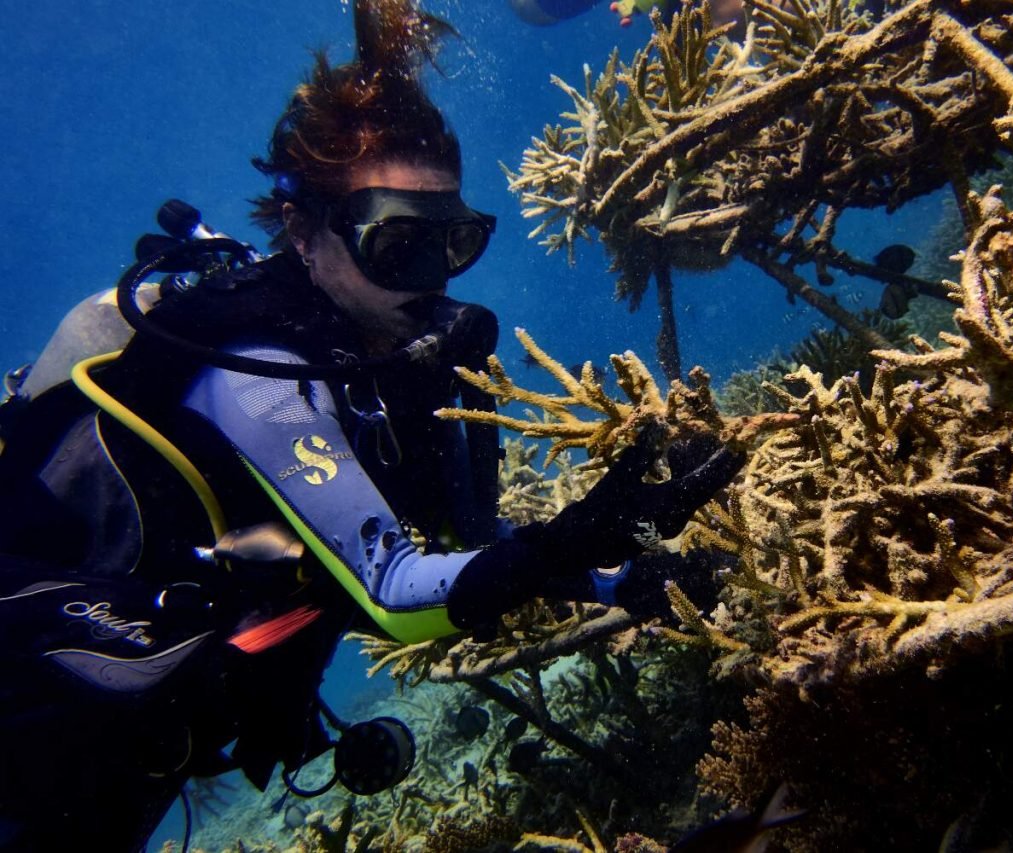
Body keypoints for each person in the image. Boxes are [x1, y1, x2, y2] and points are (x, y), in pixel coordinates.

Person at [0, 1, 741, 848]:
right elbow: (391, 594)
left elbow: (446, 547)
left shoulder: (372, 352)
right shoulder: (263, 376)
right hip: (38, 725)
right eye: (397, 246)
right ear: (302, 231)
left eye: (453, 242)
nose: (430, 280)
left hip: (143, 729)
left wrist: (620, 579)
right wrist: (568, 545)